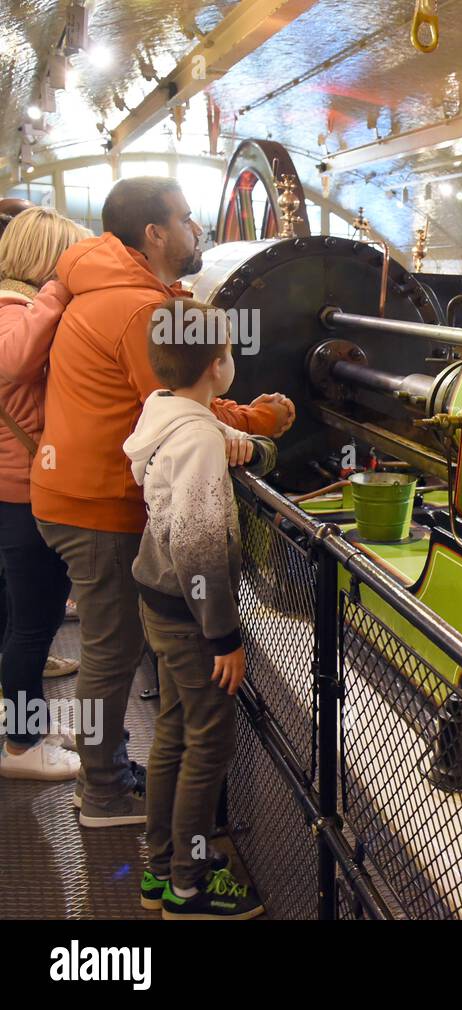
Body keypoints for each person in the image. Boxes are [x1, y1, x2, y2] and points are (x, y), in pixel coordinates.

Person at [31, 177, 295, 827]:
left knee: (109, 650)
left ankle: (107, 770)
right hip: (98, 504)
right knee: (110, 654)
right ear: (154, 233)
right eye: (186, 218)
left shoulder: (113, 290)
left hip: (74, 490)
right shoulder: (139, 309)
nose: (196, 228)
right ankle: (102, 791)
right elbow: (182, 402)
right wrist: (260, 421)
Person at [124, 296, 264, 918]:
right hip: (191, 619)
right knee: (207, 749)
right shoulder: (200, 439)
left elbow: (203, 436)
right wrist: (223, 638)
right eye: (229, 352)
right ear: (216, 366)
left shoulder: (163, 412)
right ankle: (190, 885)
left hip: (158, 604)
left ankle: (159, 870)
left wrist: (247, 444)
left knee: (173, 735)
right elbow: (199, 548)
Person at [0, 208, 89, 780]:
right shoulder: (12, 309)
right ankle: (22, 746)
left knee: (20, 620)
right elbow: (15, 360)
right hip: (20, 493)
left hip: (13, 488)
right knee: (32, 625)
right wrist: (58, 291)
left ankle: (19, 724)